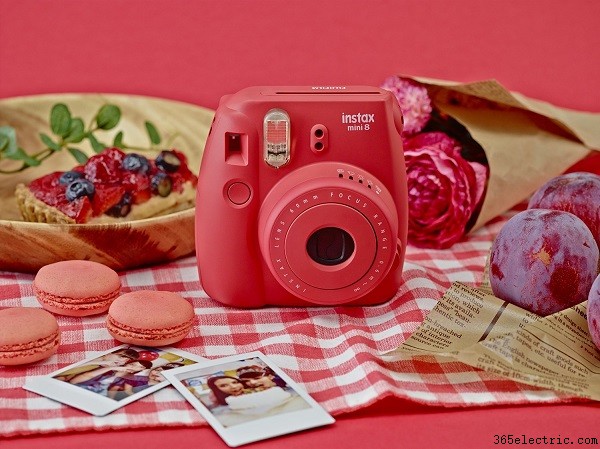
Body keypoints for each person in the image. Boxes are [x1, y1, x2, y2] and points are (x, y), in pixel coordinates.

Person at [67, 359, 153, 397]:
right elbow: (74, 381)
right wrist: (110, 368)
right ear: (127, 363)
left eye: (140, 367)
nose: (134, 367)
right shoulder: (107, 369)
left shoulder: (134, 380)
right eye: (132, 364)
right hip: (76, 390)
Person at [54, 348, 140, 382]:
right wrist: (103, 363)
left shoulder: (101, 366)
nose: (122, 361)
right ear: (109, 353)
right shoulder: (95, 357)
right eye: (120, 356)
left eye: (127, 360)